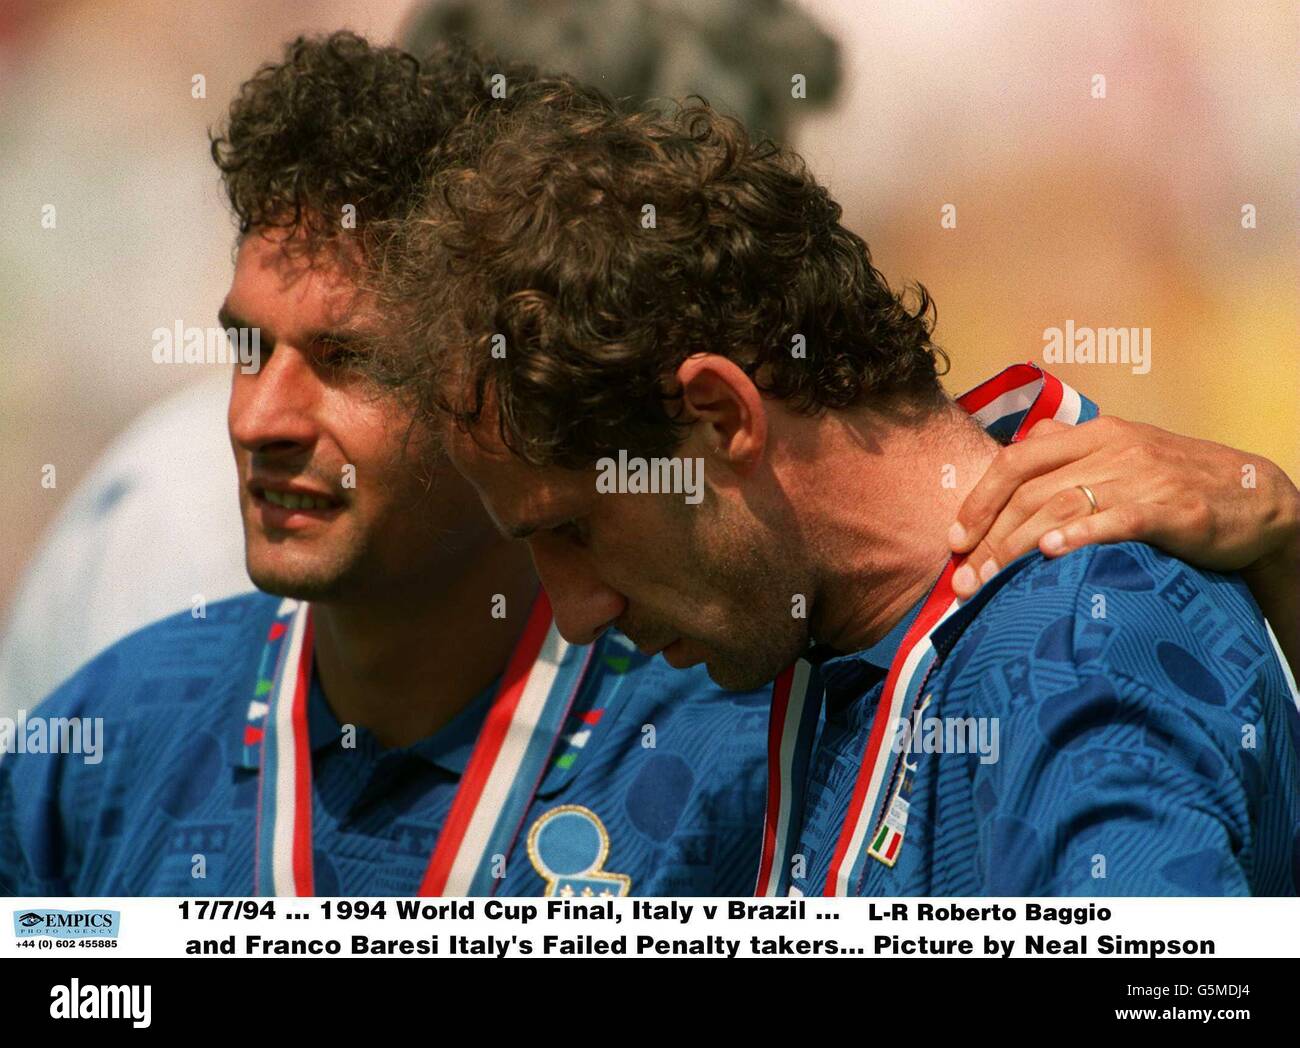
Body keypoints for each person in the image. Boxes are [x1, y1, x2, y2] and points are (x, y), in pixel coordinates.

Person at [380, 82, 1300, 895]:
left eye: (576, 527)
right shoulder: (811, 638)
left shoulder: (1079, 643)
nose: (574, 612)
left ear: (721, 412)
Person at [0, 35, 771, 898]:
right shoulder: (107, 738)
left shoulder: (736, 753)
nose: (260, 420)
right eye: (248, 348)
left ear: (504, 395)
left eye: (349, 360)